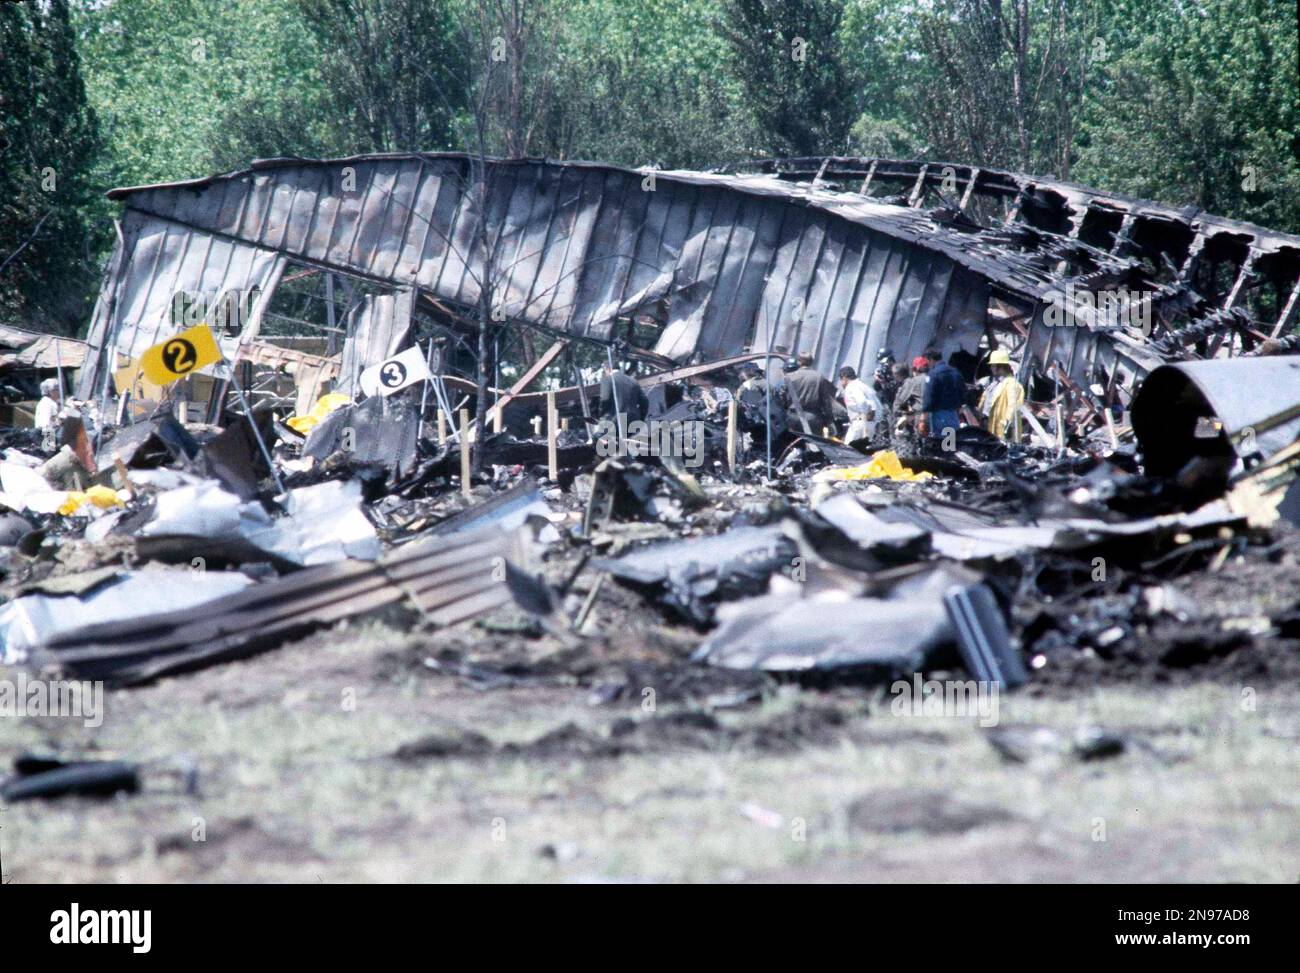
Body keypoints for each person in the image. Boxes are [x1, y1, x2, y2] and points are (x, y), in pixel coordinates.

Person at [784, 351, 840, 433]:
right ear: (811, 362)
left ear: (799, 362)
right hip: (812, 417)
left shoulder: (789, 377)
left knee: (792, 442)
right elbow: (825, 400)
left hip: (793, 417)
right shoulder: (818, 377)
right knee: (813, 443)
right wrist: (829, 419)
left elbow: (784, 397)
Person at [977, 348, 1025, 441]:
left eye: (993, 365)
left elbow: (1013, 407)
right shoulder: (994, 384)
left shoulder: (1012, 385)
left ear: (1000, 366)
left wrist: (1008, 427)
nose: (991, 368)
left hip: (1003, 432)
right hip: (991, 428)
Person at [919, 347, 963, 441]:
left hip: (939, 416)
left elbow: (929, 398)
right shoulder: (956, 372)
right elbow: (963, 393)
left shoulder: (933, 374)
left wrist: (923, 419)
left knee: (940, 447)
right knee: (951, 446)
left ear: (930, 359)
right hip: (954, 415)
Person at [837, 365, 879, 443]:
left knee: (848, 450)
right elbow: (877, 405)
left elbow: (862, 401)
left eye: (841, 380)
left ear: (844, 378)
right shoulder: (864, 386)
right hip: (870, 423)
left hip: (859, 423)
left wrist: (865, 415)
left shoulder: (851, 387)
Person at [34, 377, 61, 447]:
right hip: (47, 439)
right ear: (50, 391)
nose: (59, 392)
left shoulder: (51, 403)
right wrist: (50, 446)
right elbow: (46, 425)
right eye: (56, 390)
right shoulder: (46, 404)